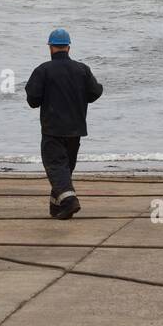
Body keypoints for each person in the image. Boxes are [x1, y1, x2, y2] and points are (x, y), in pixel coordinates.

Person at [26, 29, 103, 219]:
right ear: (68, 47)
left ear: (51, 48)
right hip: (75, 129)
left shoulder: (42, 70)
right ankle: (57, 206)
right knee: (64, 169)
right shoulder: (82, 69)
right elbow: (95, 93)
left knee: (55, 166)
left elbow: (33, 100)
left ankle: (69, 201)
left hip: (52, 129)